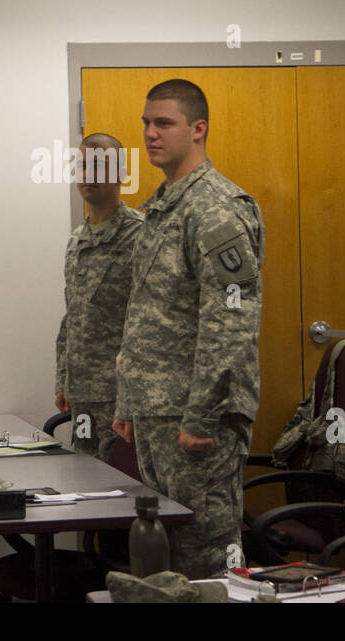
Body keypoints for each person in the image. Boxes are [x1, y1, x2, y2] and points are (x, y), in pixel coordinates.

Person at [112, 79, 264, 579]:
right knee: (166, 559)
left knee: (204, 556)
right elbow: (146, 314)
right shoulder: (161, 208)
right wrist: (129, 401)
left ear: (198, 129)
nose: (150, 134)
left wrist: (203, 415)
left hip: (197, 421)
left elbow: (231, 321)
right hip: (159, 413)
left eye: (164, 123)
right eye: (146, 123)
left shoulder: (215, 208)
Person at [54, 133, 144, 462]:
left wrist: (132, 401)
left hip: (121, 402)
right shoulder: (77, 240)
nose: (87, 174)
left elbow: (147, 324)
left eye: (98, 165)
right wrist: (63, 378)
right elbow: (72, 316)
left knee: (123, 492)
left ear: (121, 174)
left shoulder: (140, 236)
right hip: (82, 399)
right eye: (81, 165)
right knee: (85, 479)